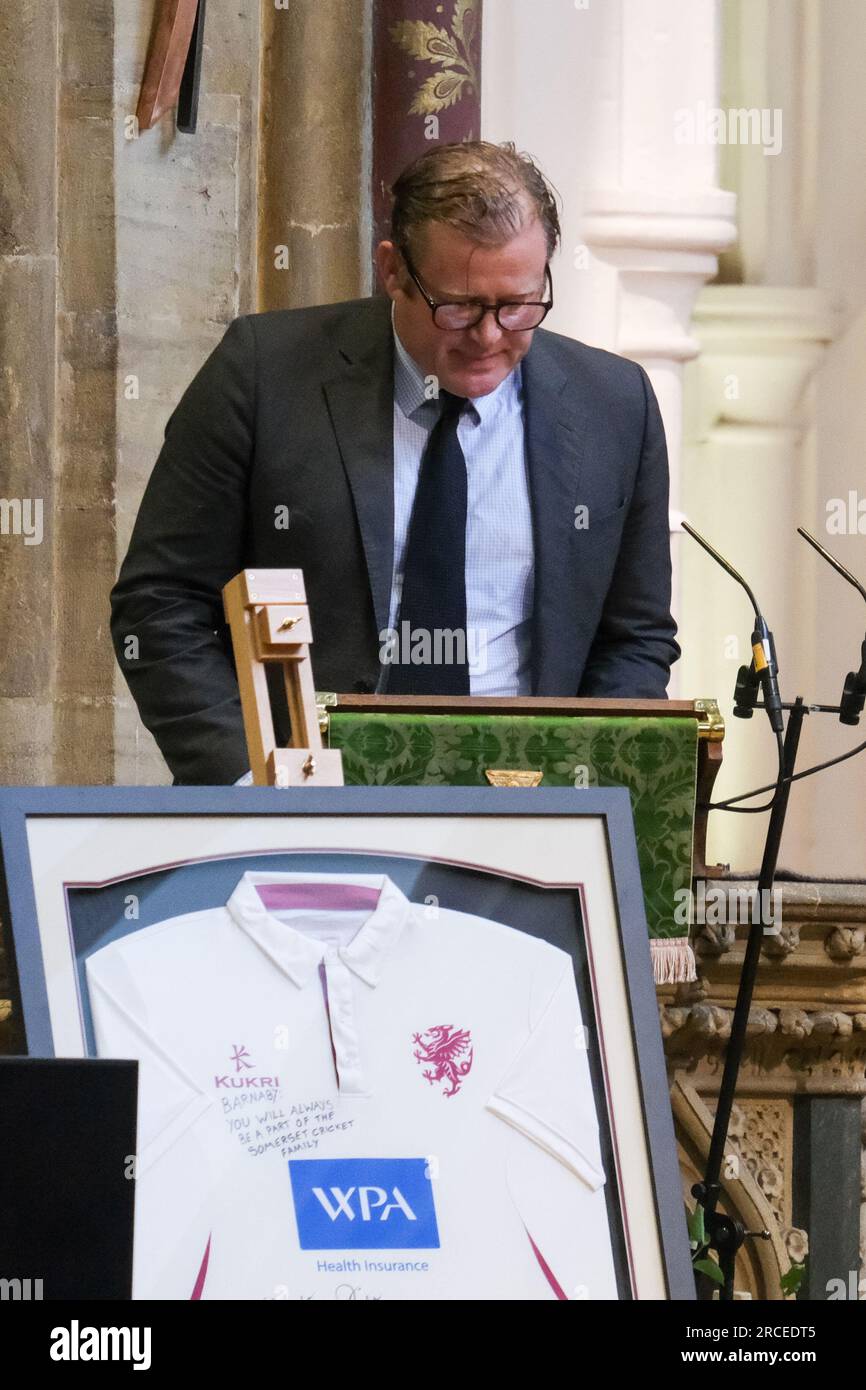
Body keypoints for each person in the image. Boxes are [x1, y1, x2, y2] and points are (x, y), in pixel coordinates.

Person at [110, 140, 680, 785]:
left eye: (518, 304)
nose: (490, 336)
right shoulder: (265, 373)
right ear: (393, 271)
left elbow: (635, 636)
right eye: (459, 306)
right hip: (303, 797)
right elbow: (161, 602)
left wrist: (590, 786)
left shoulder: (615, 403)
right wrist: (250, 783)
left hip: (530, 801)